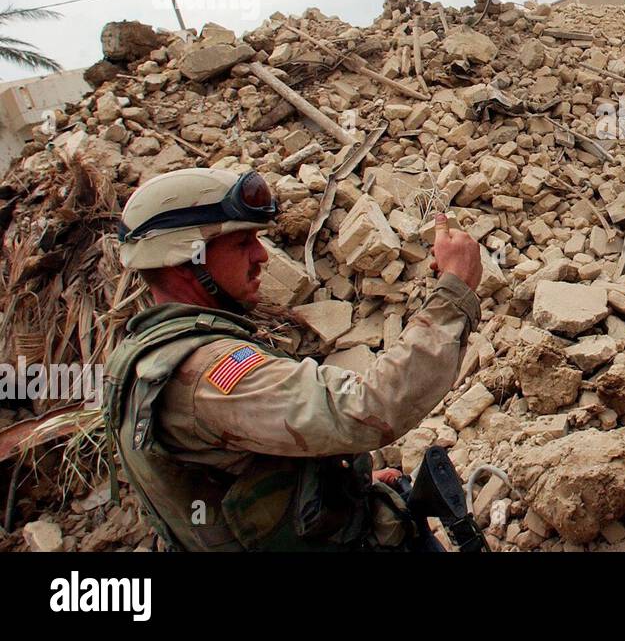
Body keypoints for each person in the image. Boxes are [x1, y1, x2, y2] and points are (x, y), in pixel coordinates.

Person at [103, 167, 483, 551]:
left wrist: (339, 484)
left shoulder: (145, 354)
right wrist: (455, 289)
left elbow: (237, 476)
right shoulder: (205, 373)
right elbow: (369, 406)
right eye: (241, 244)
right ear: (185, 262)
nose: (261, 255)